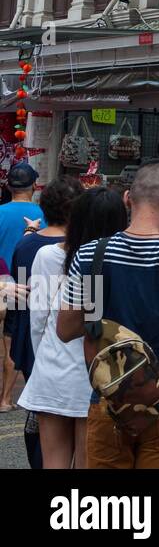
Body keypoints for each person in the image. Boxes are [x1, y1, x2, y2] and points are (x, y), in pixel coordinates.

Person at [56, 162, 159, 469]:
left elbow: (66, 329)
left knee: (111, 513)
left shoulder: (90, 255)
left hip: (109, 399)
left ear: (127, 198)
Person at [17, 180, 98, 469]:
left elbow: (38, 316)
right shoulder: (97, 256)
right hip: (91, 371)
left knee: (53, 462)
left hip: (54, 367)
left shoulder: (45, 254)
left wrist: (43, 359)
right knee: (88, 462)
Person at [9, 176, 80, 459]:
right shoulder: (86, 250)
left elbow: (27, 303)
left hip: (33, 342)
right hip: (75, 350)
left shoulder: (26, 247)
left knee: (46, 425)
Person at [0, 162, 43, 413]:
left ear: (8, 186)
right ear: (35, 186)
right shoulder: (42, 215)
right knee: (16, 342)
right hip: (26, 287)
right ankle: (6, 399)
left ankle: (6, 399)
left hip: (1, 285)